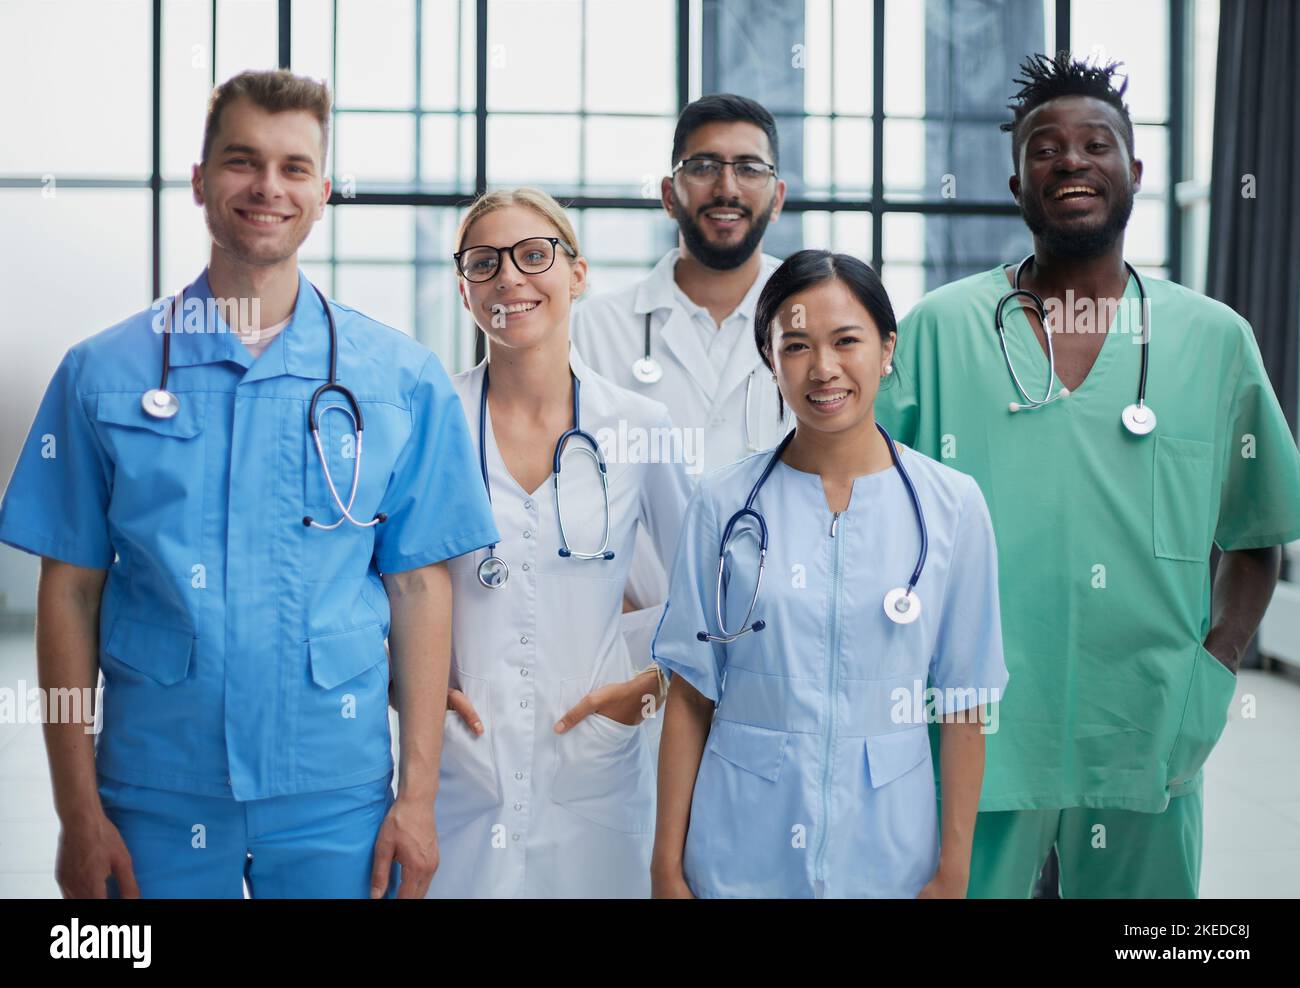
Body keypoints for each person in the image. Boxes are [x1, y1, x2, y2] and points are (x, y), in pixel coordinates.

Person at [0, 70, 498, 899]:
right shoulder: (101, 374)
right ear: (200, 180)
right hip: (151, 790)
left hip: (335, 793)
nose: (268, 187)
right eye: (243, 160)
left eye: (294, 167)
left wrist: (416, 799)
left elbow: (417, 588)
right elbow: (69, 596)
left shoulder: (399, 382)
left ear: (323, 191)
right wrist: (77, 814)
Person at [876, 52, 1300, 898]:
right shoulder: (938, 331)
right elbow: (868, 517)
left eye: (1095, 144)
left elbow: (1256, 536)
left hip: (1144, 734)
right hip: (975, 734)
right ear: (1014, 181)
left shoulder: (1214, 341)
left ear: (1136, 171)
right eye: (1045, 148)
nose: (1071, 160)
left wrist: (1213, 668)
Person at [650, 250, 1008, 898]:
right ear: (769, 359)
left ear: (886, 348)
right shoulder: (724, 504)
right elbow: (691, 693)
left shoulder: (952, 506)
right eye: (795, 345)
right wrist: (665, 870)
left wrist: (952, 872)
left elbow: (964, 703)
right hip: (739, 845)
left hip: (889, 853)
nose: (823, 369)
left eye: (847, 341)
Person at [427, 188, 691, 898]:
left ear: (576, 274)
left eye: (534, 255)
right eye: (485, 263)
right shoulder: (433, 424)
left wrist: (656, 680)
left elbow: (706, 595)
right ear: (464, 289)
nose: (509, 278)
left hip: (593, 775)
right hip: (462, 774)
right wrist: (407, 687)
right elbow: (381, 583)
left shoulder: (640, 426)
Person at [571, 93, 789, 659]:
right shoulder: (596, 329)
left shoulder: (817, 321)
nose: (726, 188)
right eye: (703, 167)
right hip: (636, 646)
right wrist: (618, 621)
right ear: (670, 195)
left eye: (749, 168)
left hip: (783, 636)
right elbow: (563, 494)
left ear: (777, 195)